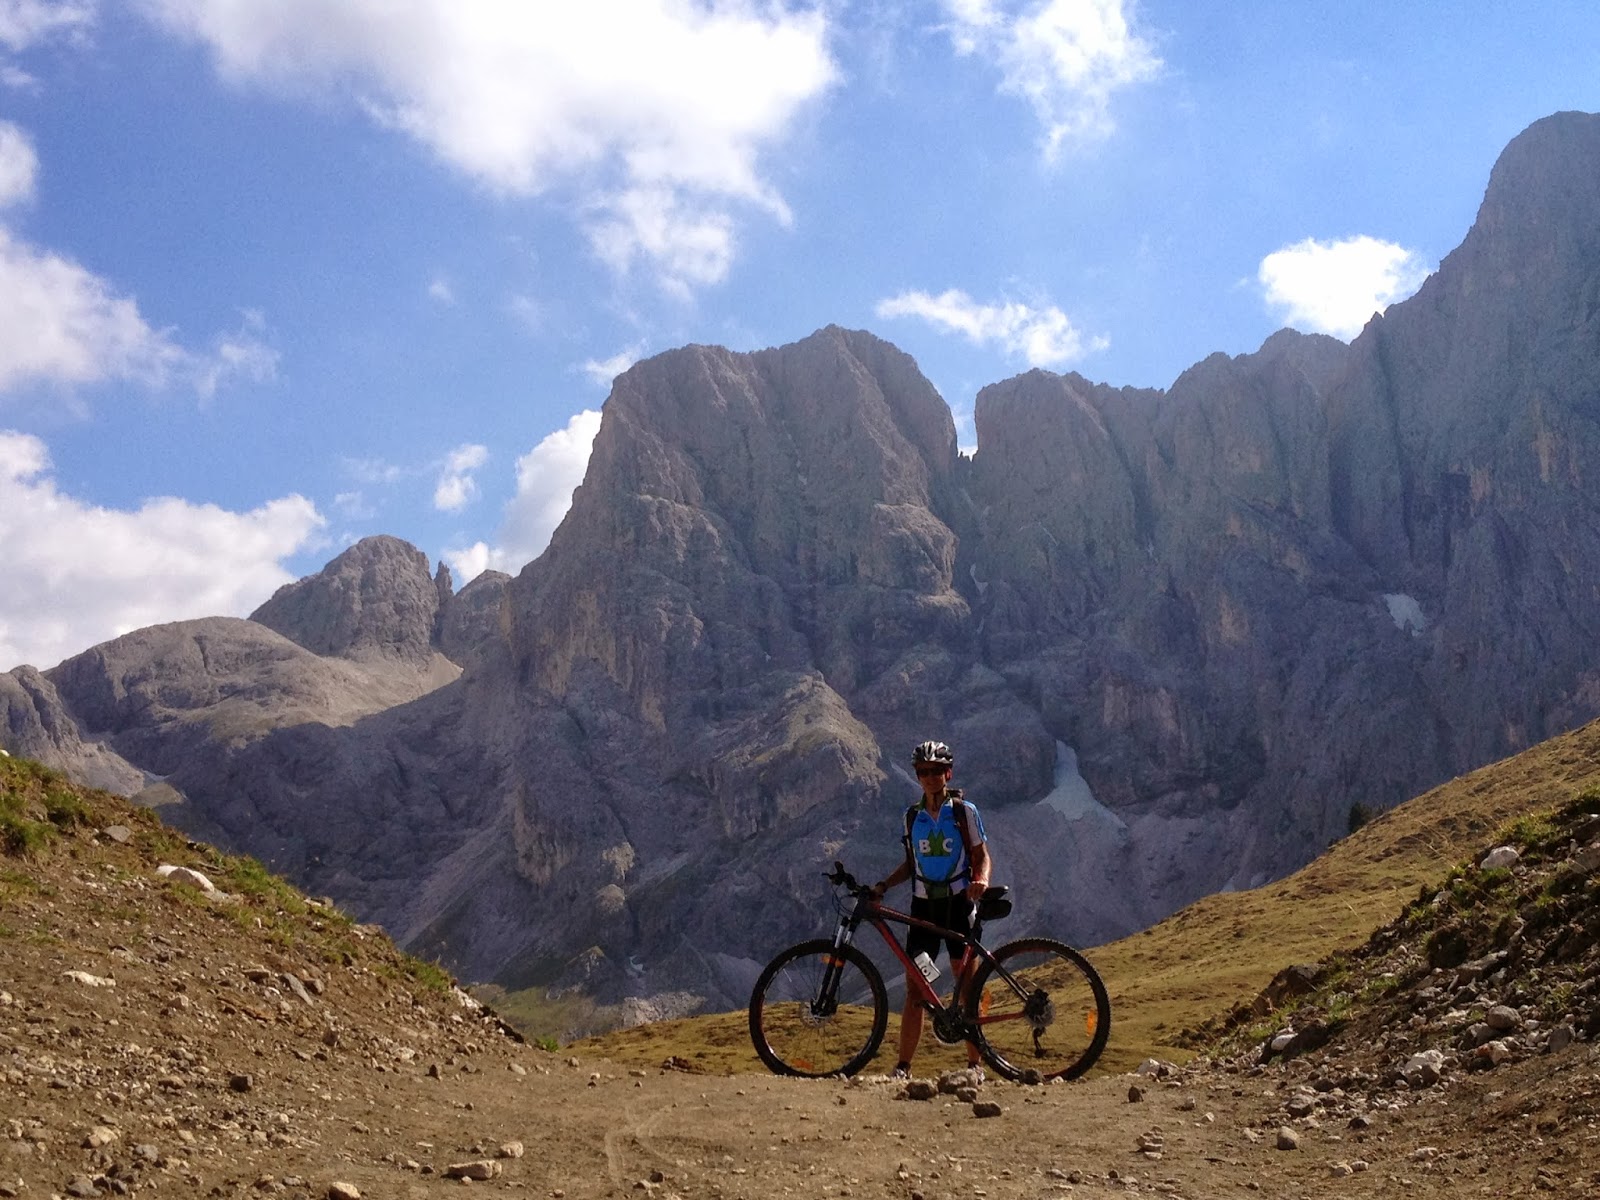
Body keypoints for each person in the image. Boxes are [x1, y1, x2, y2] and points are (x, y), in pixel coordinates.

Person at [870, 740, 992, 1079]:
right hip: (922, 908)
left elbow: (982, 855)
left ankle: (975, 1066)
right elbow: (911, 864)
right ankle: (904, 1067)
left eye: (936, 771)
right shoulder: (911, 817)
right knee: (916, 988)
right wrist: (883, 885)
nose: (929, 777)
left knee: (966, 985)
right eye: (923, 772)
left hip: (958, 903)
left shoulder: (964, 811)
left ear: (947, 773)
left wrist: (980, 880)